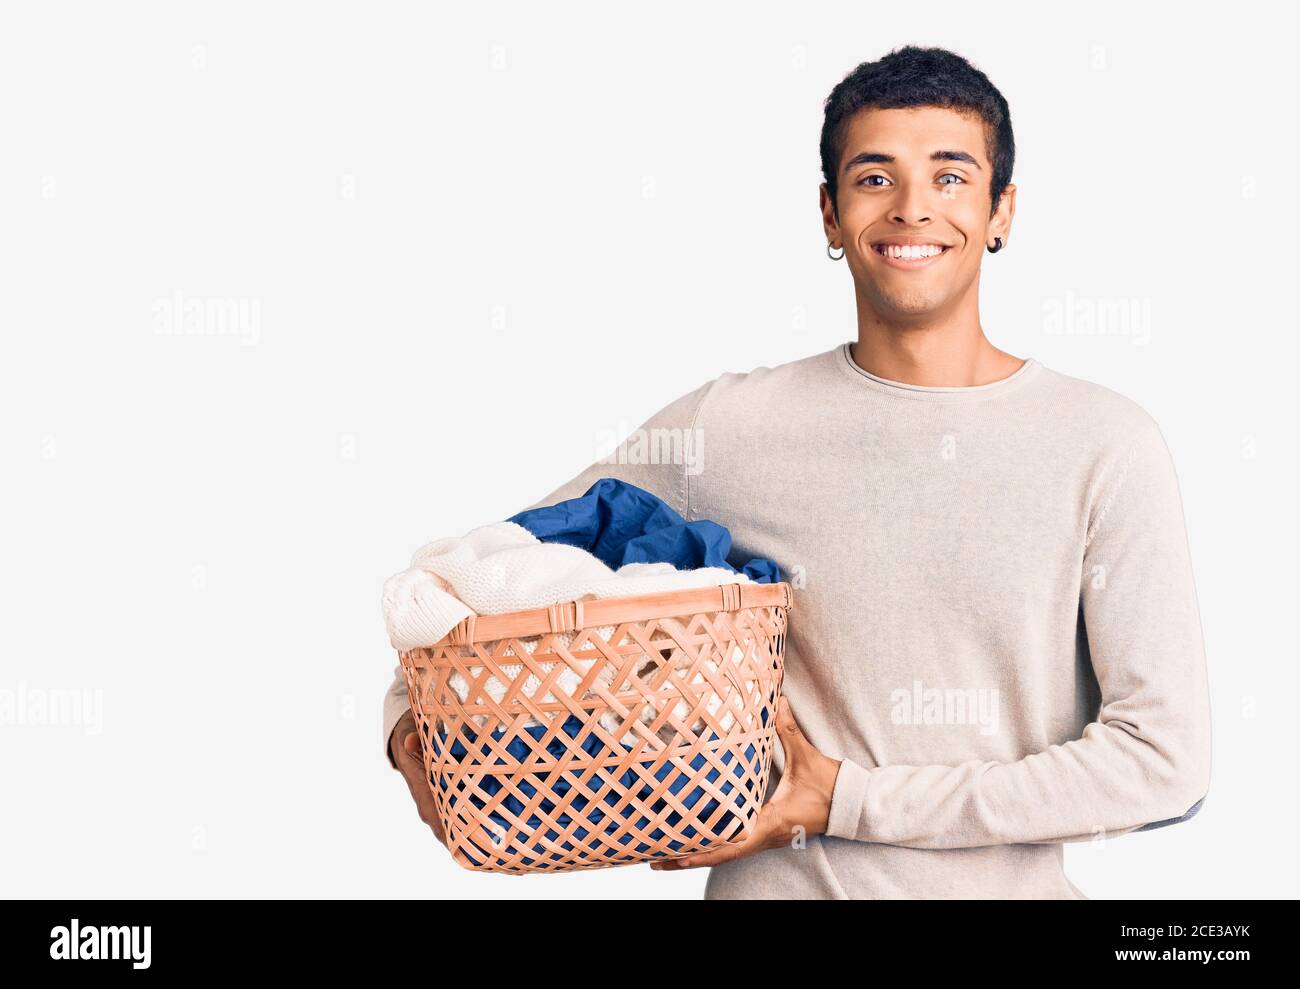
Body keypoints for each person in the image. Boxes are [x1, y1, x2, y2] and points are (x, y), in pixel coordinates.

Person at [383, 45, 1211, 899]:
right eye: (875, 177)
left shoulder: (1105, 444)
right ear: (829, 213)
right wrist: (407, 730)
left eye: (951, 177)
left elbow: (1162, 761)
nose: (913, 208)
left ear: (1003, 212)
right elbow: (489, 574)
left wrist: (852, 801)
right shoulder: (729, 425)